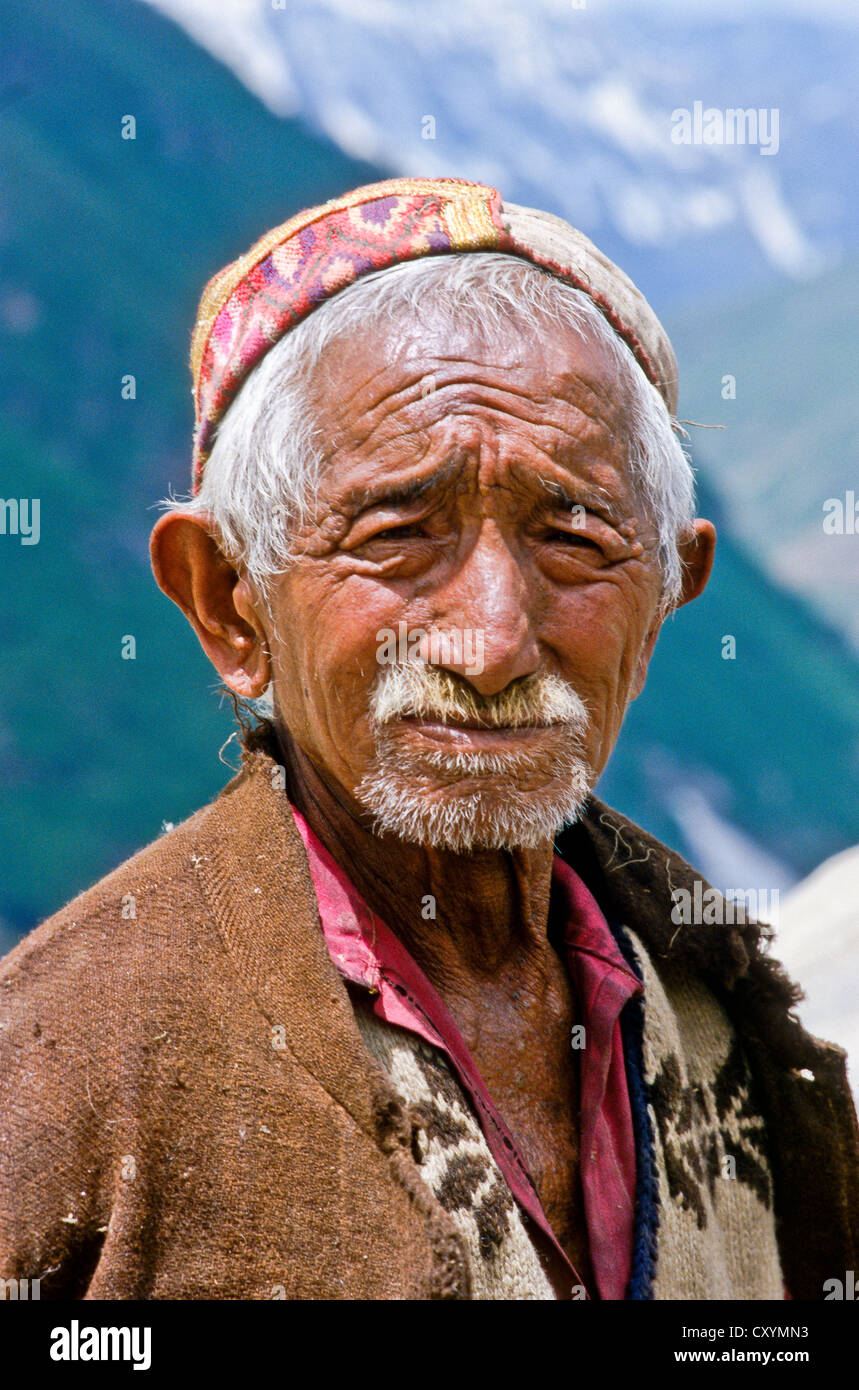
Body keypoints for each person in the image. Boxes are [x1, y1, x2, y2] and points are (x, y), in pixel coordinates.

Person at [1, 177, 856, 1300]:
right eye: (399, 534)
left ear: (666, 597)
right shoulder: (57, 1078)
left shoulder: (732, 1031)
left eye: (574, 535)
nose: (493, 640)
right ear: (227, 601)